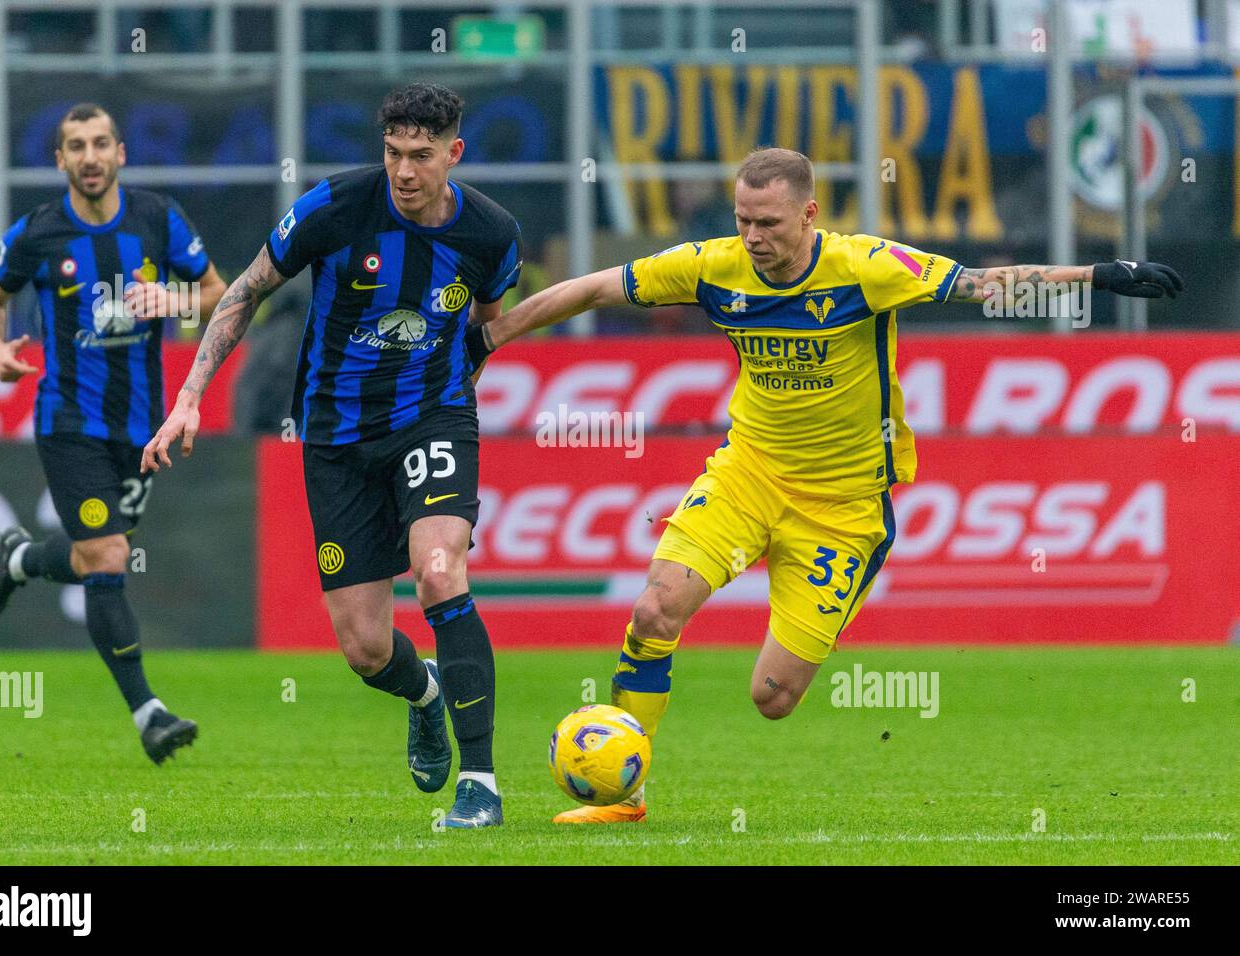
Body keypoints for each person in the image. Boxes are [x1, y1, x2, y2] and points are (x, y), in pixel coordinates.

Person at [465, 146, 1183, 823]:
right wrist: (494, 338)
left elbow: (980, 286)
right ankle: (624, 795)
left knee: (772, 698)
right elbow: (593, 288)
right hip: (749, 473)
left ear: (808, 216)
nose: (752, 236)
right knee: (657, 608)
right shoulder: (714, 266)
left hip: (843, 508)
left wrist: (1096, 278)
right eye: (743, 220)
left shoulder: (864, 266)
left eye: (768, 223)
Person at [141, 83, 522, 828]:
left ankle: (481, 785)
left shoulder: (491, 233)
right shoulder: (336, 208)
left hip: (432, 422)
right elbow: (245, 290)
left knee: (440, 572)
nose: (404, 172)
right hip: (336, 440)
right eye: (392, 154)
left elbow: (486, 328)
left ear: (454, 153)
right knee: (365, 648)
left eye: (420, 156)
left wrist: (452, 399)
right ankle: (426, 695)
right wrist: (188, 396)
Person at [0, 102, 228, 764]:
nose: (89, 156)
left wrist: (175, 301)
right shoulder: (38, 233)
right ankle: (150, 714)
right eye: (75, 145)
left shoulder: (156, 220)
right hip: (69, 425)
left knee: (92, 557)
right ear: (59, 159)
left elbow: (219, 293)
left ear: (120, 153)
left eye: (100, 143)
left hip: (144, 429)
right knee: (109, 558)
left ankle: (23, 559)